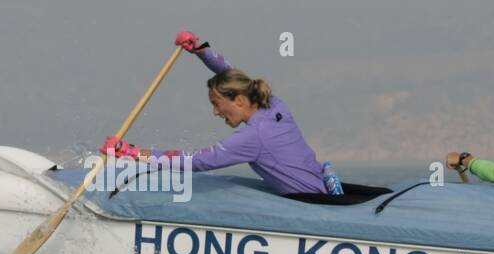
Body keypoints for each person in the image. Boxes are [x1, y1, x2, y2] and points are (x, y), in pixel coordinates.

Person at [101, 31, 331, 196]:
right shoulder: (273, 105)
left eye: (217, 103)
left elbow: (198, 161)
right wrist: (201, 51)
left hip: (310, 205)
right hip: (322, 189)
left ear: (239, 100)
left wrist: (131, 153)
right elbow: (232, 74)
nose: (215, 112)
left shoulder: (253, 137)